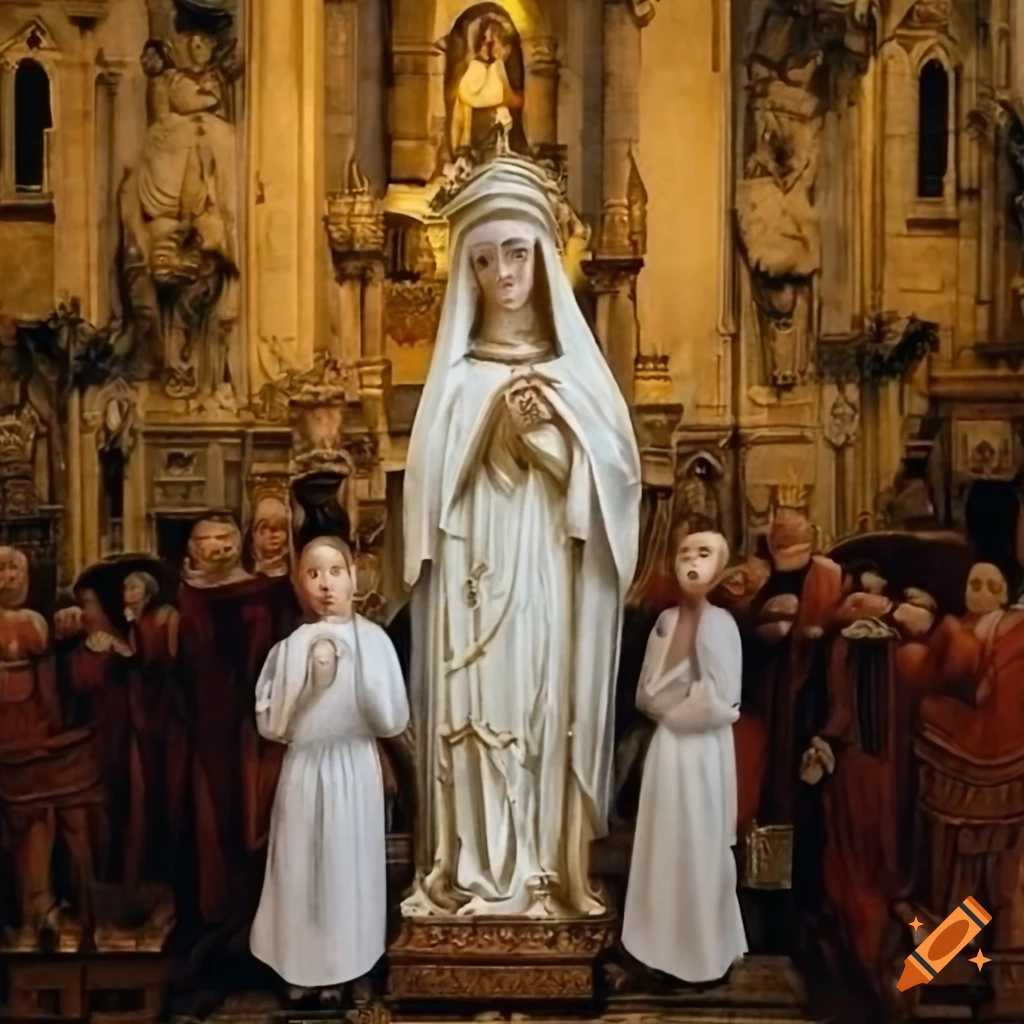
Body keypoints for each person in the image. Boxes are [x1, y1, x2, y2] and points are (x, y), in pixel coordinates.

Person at [401, 155, 641, 918]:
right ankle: (471, 868)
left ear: (542, 257)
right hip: (474, 566)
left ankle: (538, 865)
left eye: (517, 253)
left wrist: (550, 437)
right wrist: (491, 429)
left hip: (542, 568)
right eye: (483, 258)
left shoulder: (579, 375)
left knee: (535, 702)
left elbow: (613, 484)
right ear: (466, 271)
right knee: (473, 708)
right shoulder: (458, 375)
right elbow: (427, 495)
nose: (502, 273)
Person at [250, 537, 409, 1002]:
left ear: (353, 577)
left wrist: (356, 668)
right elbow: (273, 726)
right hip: (303, 768)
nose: (325, 584)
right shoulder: (289, 647)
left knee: (350, 867)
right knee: (300, 866)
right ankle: (301, 968)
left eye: (335, 571)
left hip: (353, 766)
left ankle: (352, 965)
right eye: (314, 574)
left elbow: (391, 719)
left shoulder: (374, 640)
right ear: (300, 583)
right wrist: (310, 686)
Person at [622, 531, 747, 984]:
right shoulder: (665, 622)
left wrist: (679, 708)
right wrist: (676, 703)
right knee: (664, 844)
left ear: (720, 568)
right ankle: (658, 952)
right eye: (685, 553)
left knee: (700, 843)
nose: (692, 561)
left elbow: (724, 701)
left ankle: (703, 955)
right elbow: (645, 694)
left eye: (704, 553)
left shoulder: (722, 625)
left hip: (703, 753)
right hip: (668, 753)